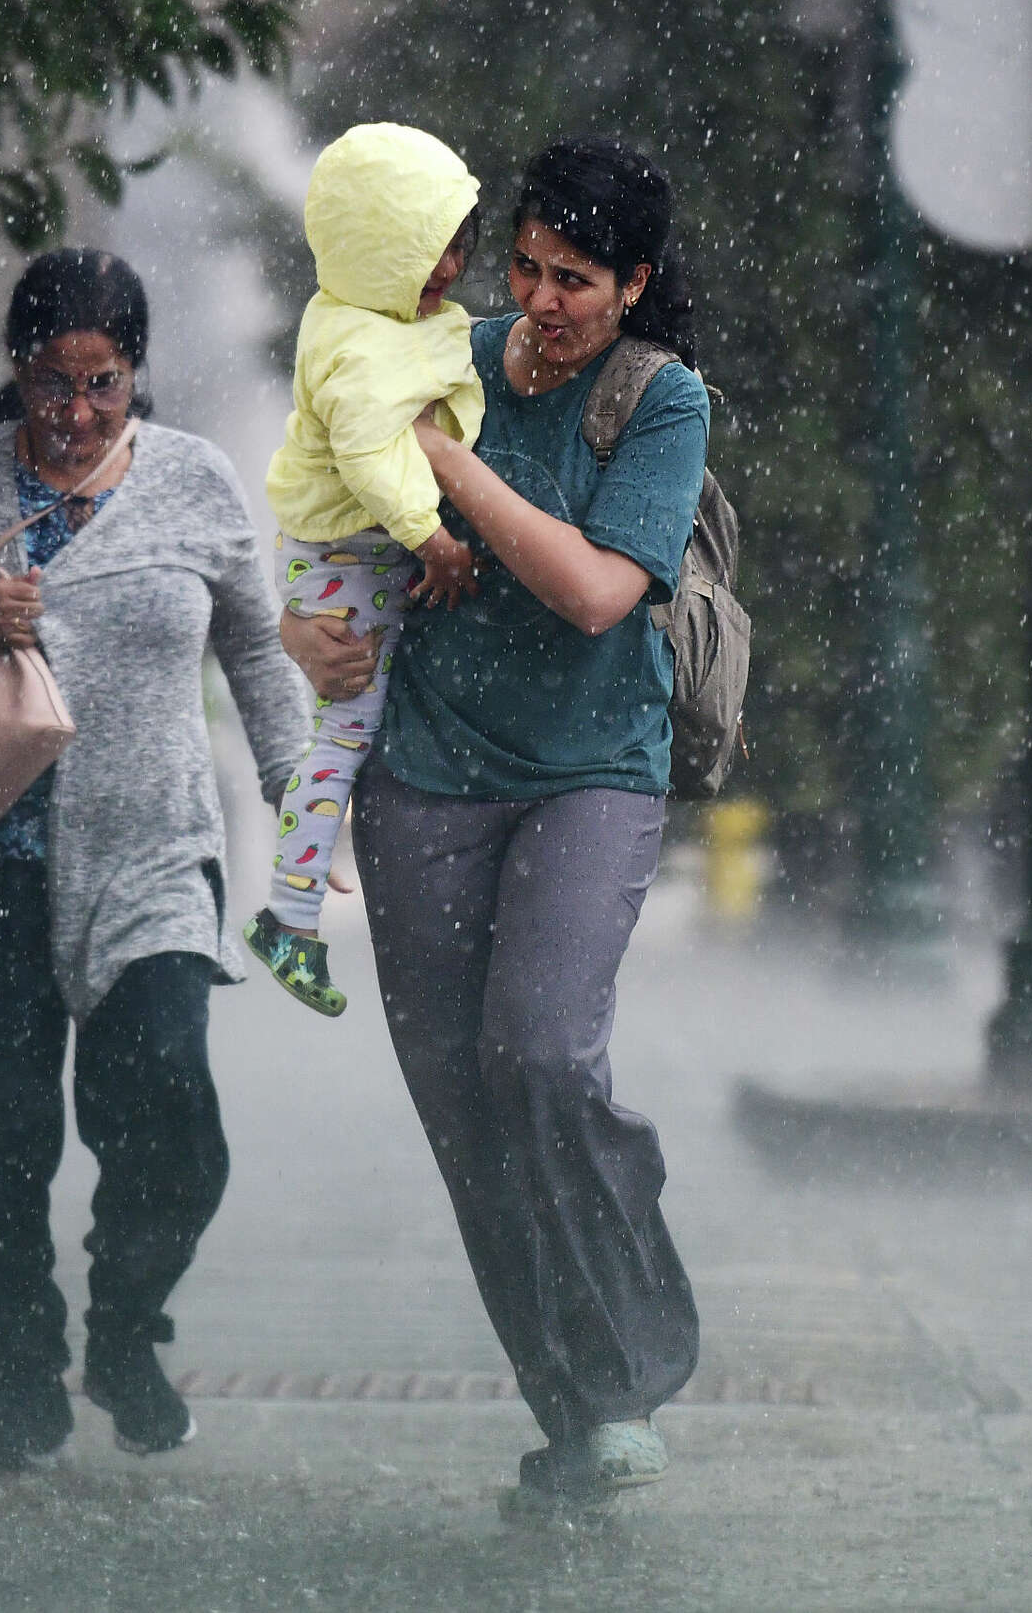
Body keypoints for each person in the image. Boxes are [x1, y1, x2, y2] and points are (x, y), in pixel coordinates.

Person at [279, 138, 707, 1511]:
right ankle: (577, 1409)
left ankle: (629, 1343)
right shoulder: (439, 349)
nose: (538, 299)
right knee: (465, 1108)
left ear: (633, 284)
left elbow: (592, 591)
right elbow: (336, 512)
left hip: (590, 770)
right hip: (427, 774)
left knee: (538, 1049)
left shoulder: (659, 401)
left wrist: (445, 467)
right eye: (523, 265)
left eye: (575, 277)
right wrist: (306, 629)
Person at [0, 249, 309, 1472]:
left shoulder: (198, 486)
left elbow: (257, 654)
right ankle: (16, 1399)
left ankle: (124, 1327)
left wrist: (298, 788)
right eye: (52, 382)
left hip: (153, 851)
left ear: (135, 374)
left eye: (102, 382)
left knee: (168, 1109)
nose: (75, 410)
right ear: (18, 370)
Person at [242, 122, 483, 1019]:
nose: (450, 270)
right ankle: (289, 916)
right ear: (377, 250)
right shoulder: (356, 345)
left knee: (341, 736)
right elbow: (372, 455)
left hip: (347, 559)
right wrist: (437, 541)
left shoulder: (376, 318)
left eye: (456, 245)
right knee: (339, 740)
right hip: (347, 557)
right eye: (427, 251)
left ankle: (291, 909)